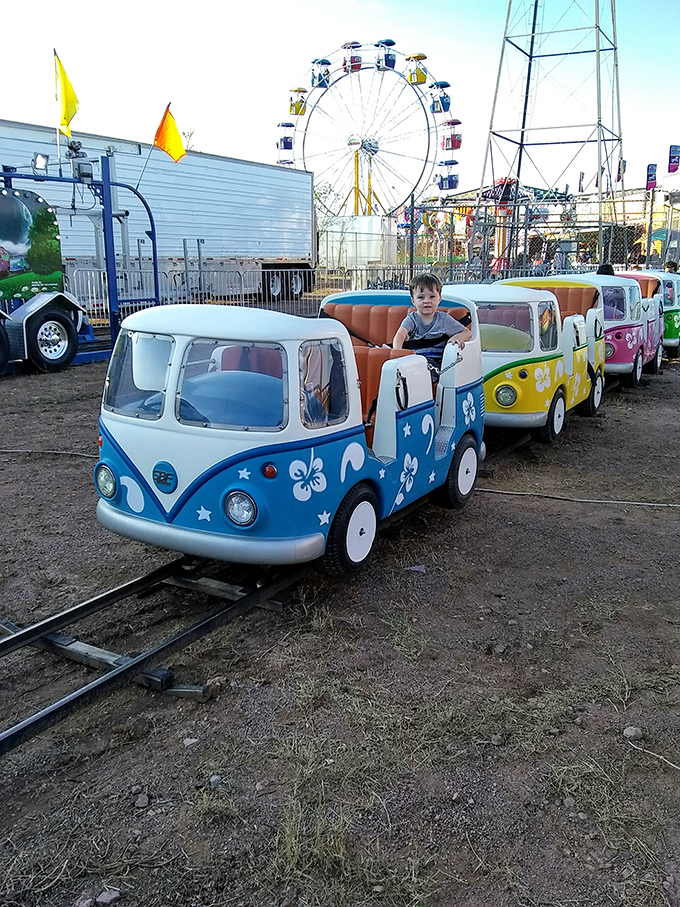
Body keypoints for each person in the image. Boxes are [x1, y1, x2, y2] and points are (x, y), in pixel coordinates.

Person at [392, 273, 472, 377]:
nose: (427, 301)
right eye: (421, 297)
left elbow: (467, 333)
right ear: (413, 301)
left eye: (432, 296)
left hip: (435, 364)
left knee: (420, 376)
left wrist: (457, 337)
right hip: (414, 362)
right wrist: (397, 354)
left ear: (439, 299)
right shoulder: (411, 319)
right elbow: (400, 335)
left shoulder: (444, 319)